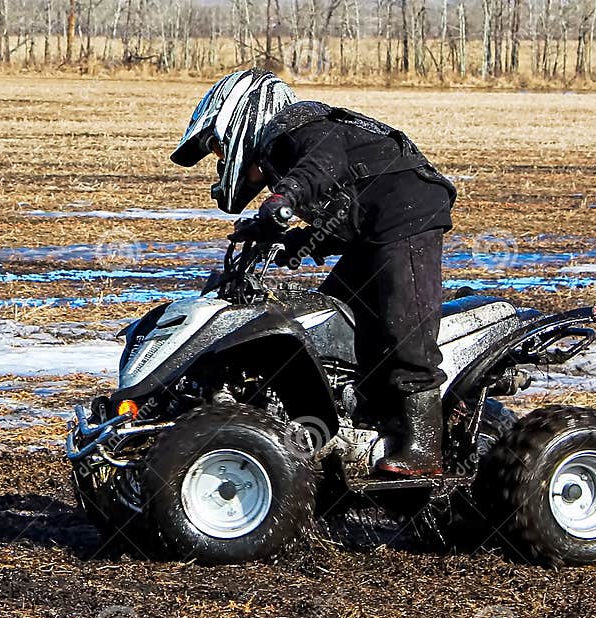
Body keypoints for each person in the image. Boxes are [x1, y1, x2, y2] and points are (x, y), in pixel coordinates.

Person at [170, 69, 456, 477]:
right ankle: (362, 418)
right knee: (334, 318)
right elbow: (345, 206)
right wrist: (288, 241)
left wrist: (283, 200)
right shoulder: (287, 152)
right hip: (374, 228)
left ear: (240, 121)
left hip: (409, 219)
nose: (220, 160)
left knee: (402, 326)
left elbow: (322, 167)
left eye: (218, 148)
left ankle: (425, 447)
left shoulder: (306, 127)